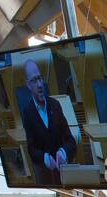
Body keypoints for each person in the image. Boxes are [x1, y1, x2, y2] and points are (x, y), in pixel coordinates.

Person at [21, 58, 77, 186]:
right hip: (44, 177)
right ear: (28, 85)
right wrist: (46, 158)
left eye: (40, 78)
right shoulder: (27, 112)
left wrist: (63, 152)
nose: (40, 85)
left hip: (64, 175)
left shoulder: (55, 105)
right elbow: (32, 149)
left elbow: (70, 141)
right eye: (34, 81)